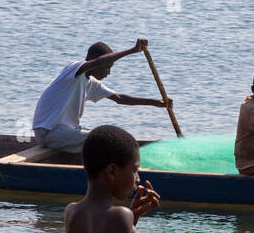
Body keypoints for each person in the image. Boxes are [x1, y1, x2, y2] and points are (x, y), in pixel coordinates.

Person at [32, 39, 173, 153]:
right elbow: (100, 61)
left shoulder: (92, 83)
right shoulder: (73, 69)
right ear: (96, 63)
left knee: (106, 137)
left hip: (64, 133)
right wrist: (132, 50)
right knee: (101, 140)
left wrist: (157, 102)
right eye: (108, 67)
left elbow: (119, 98)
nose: (108, 73)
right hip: (48, 132)